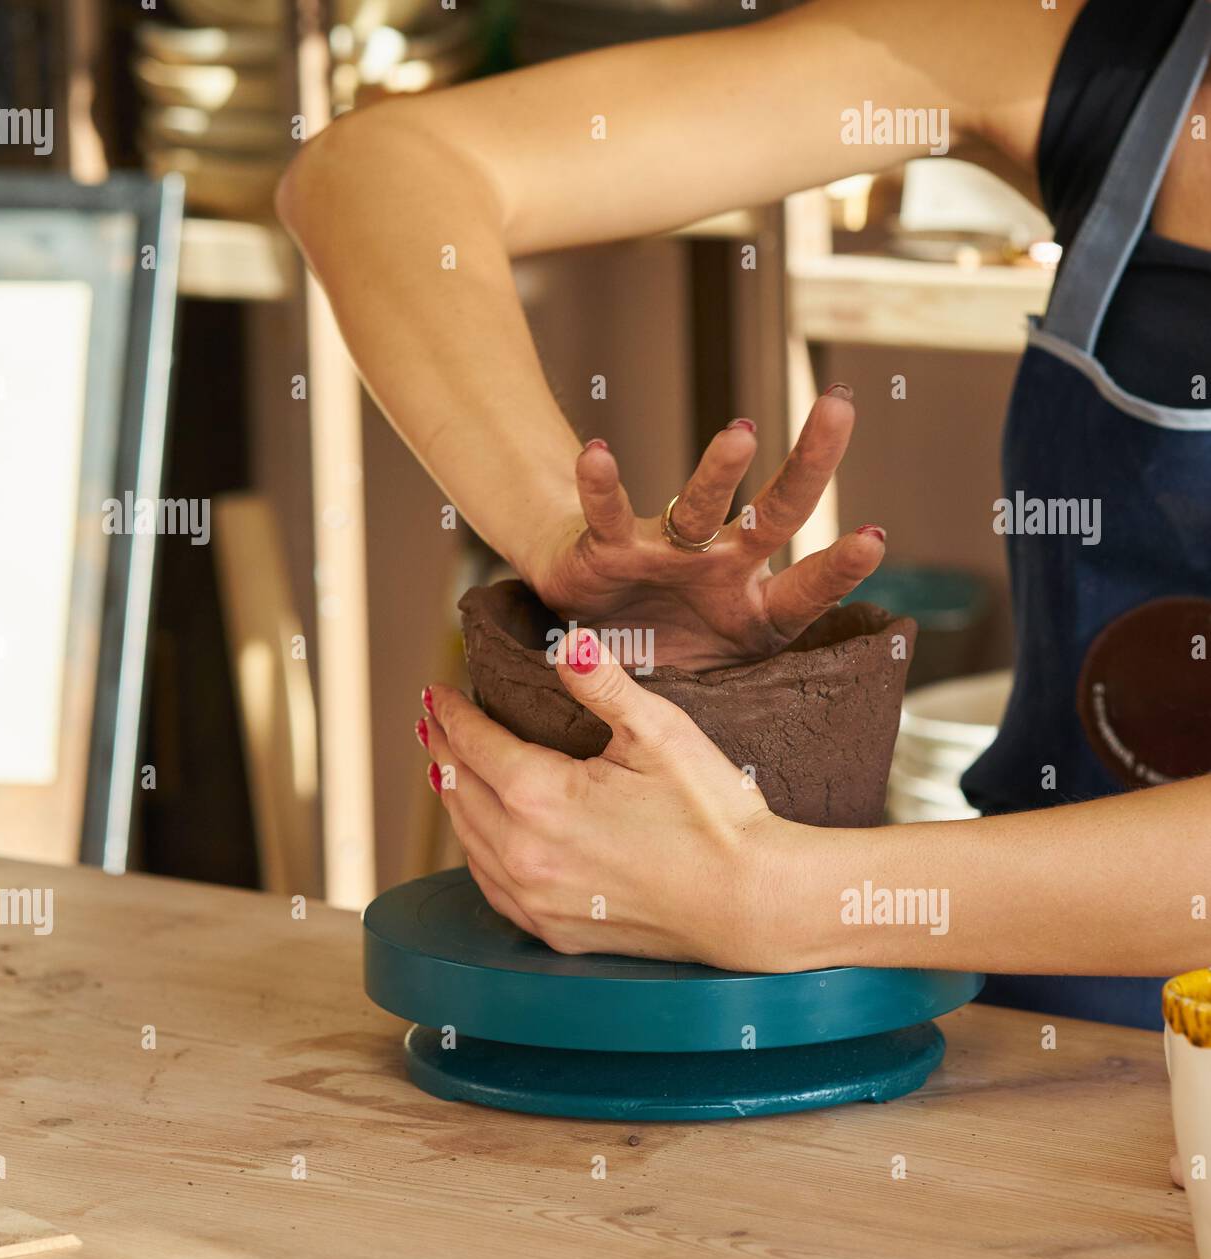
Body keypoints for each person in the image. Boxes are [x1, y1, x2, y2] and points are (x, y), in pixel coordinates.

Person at [277, 0, 1211, 1033]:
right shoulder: (1085, 53)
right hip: (1037, 1036)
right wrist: (563, 536)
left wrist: (777, 895)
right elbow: (372, 176)